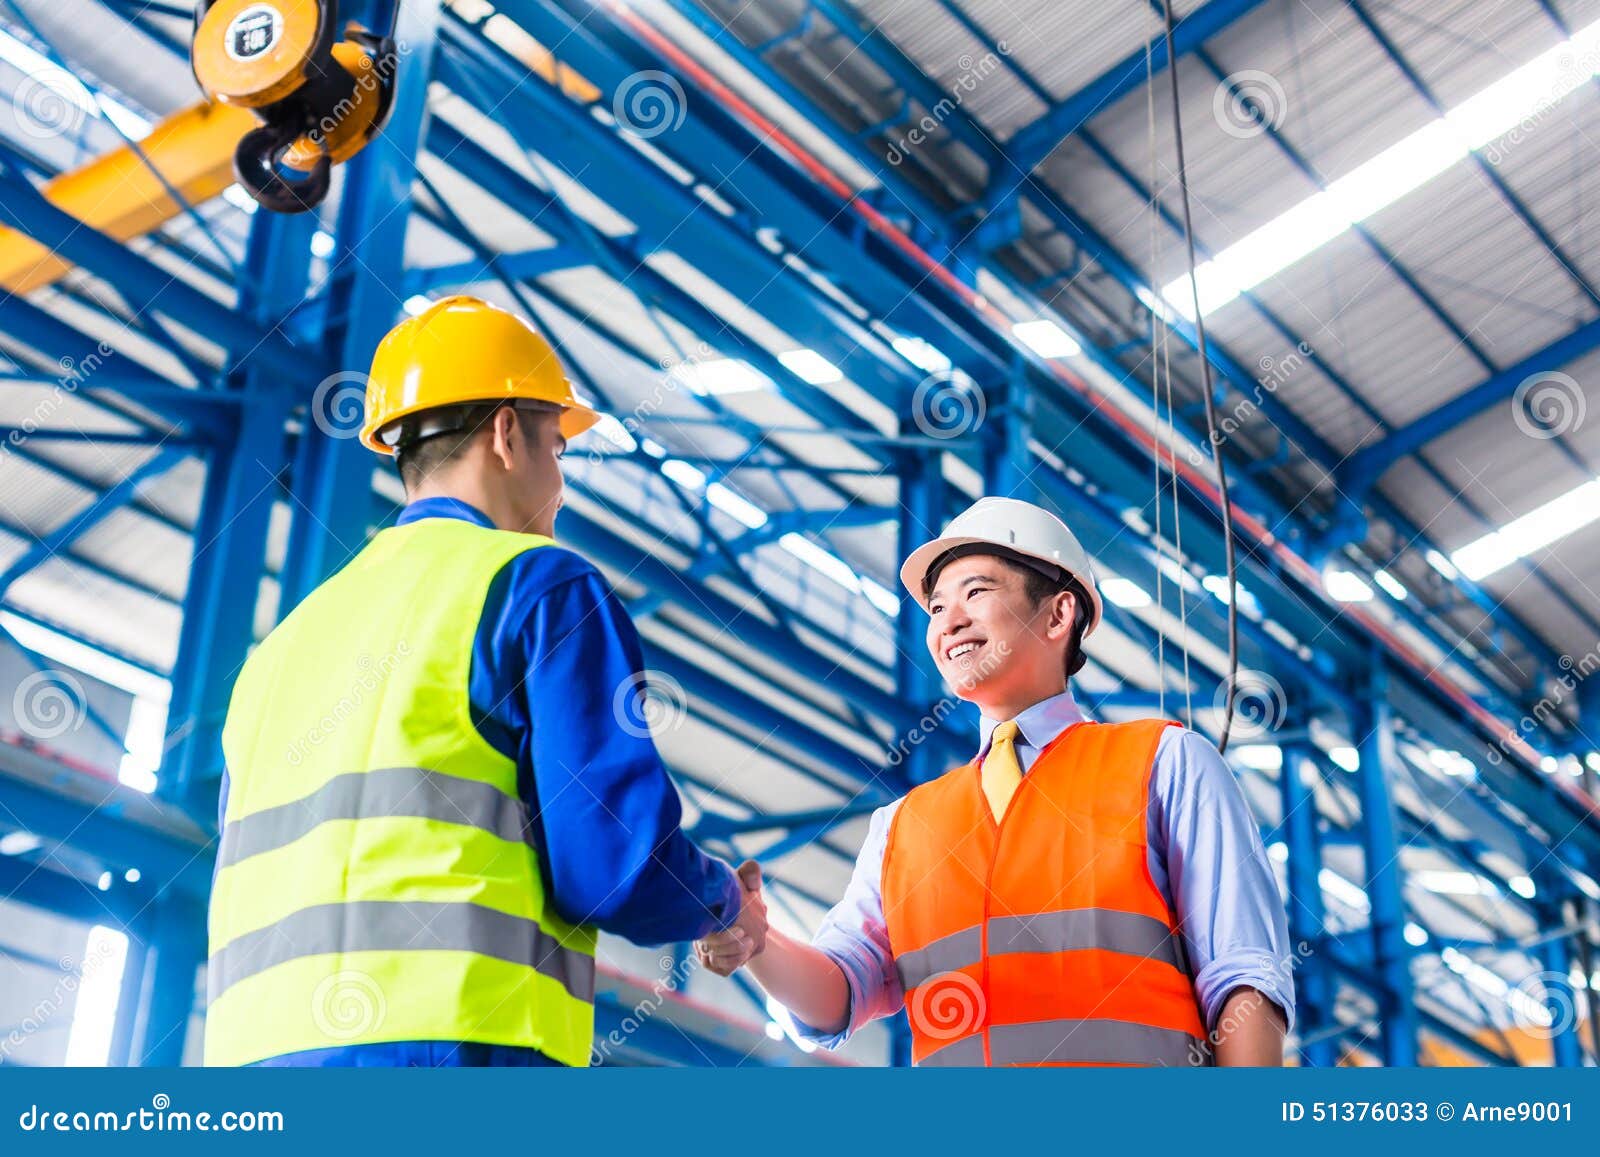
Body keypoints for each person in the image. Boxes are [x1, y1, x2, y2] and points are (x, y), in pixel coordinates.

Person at [205, 295, 762, 1067]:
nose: (559, 483)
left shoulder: (278, 649)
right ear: (507, 433)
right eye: (558, 449)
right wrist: (722, 901)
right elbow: (611, 866)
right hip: (453, 1048)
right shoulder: (540, 585)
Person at [697, 497, 1294, 1066]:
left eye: (976, 592)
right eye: (935, 608)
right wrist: (757, 940)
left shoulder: (1165, 763)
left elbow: (1243, 976)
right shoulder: (903, 826)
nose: (949, 621)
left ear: (1058, 614)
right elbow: (838, 994)